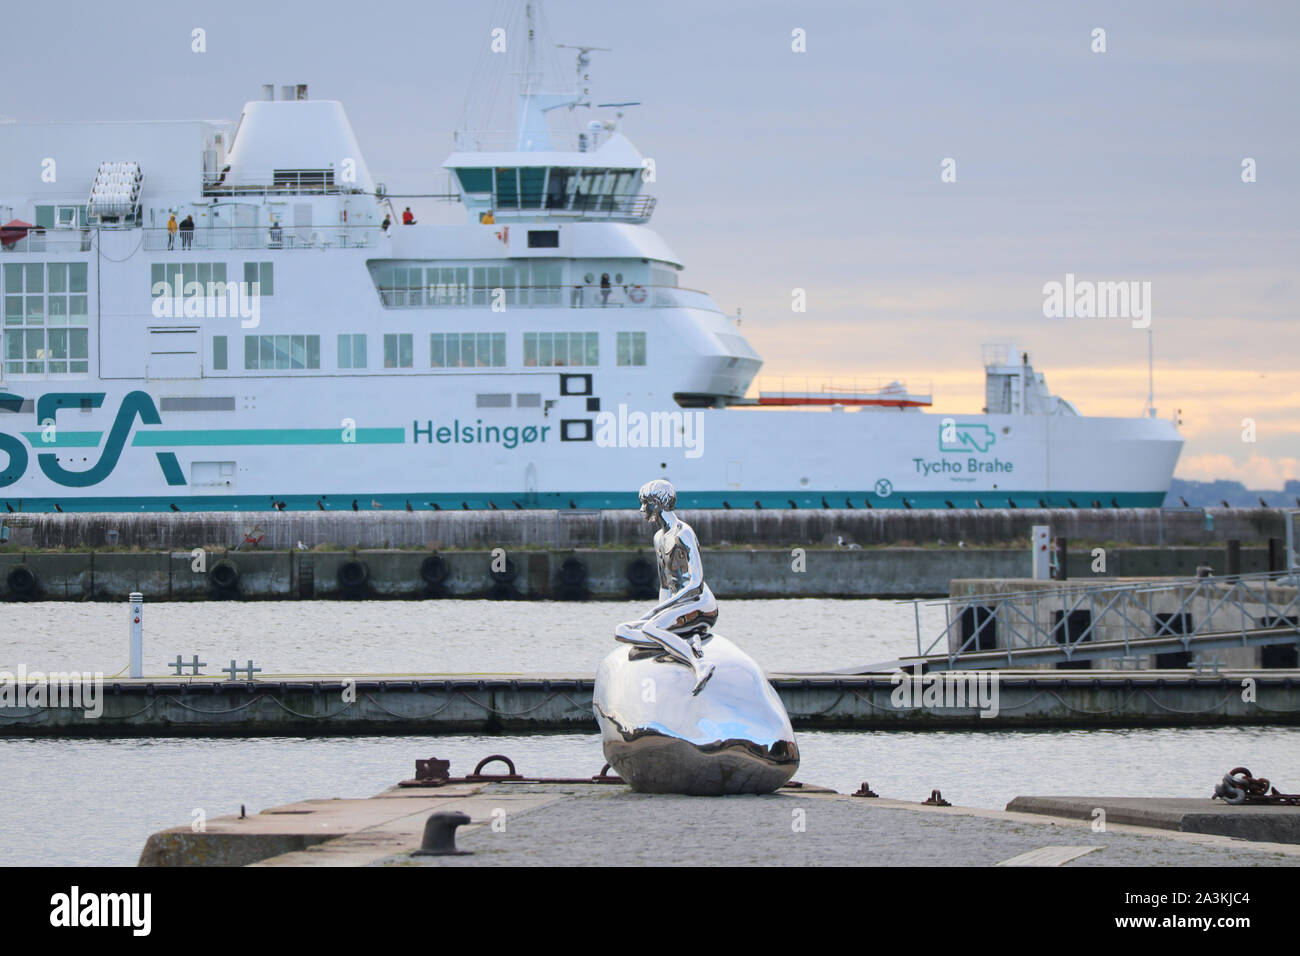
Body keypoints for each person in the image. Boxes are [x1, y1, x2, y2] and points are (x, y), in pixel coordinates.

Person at [614, 480, 718, 695]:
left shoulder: (684, 533)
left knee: (650, 628)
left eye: (646, 504)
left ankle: (698, 664)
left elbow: (695, 584)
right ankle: (685, 639)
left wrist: (658, 613)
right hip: (675, 606)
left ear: (658, 504)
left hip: (699, 604)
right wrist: (661, 611)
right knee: (622, 631)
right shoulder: (658, 538)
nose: (642, 510)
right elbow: (665, 584)